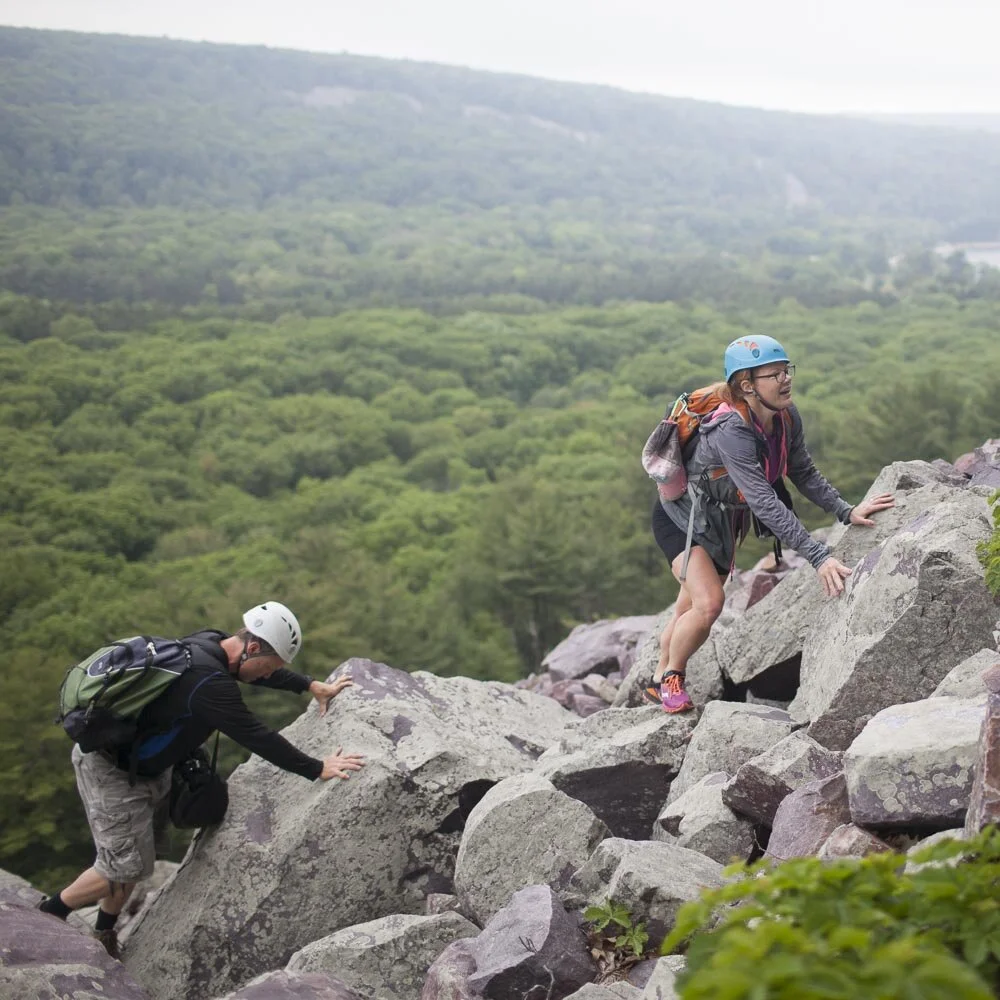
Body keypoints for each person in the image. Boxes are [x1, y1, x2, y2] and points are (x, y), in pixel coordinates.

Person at [36, 602, 364, 959]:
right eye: (268, 667)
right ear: (252, 648)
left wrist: (308, 684)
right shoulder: (209, 683)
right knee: (123, 865)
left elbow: (258, 675)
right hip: (110, 771)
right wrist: (318, 768)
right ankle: (49, 914)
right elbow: (259, 737)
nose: (265, 675)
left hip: (144, 764)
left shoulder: (213, 644)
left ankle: (103, 933)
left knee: (135, 857)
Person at [645, 336, 895, 713]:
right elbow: (763, 500)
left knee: (689, 606)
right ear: (747, 385)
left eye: (786, 370)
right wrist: (818, 556)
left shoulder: (786, 417)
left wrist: (846, 510)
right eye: (774, 374)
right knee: (710, 603)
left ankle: (656, 676)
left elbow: (802, 472)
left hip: (721, 523)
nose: (785, 379)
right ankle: (672, 678)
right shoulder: (730, 429)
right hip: (681, 519)